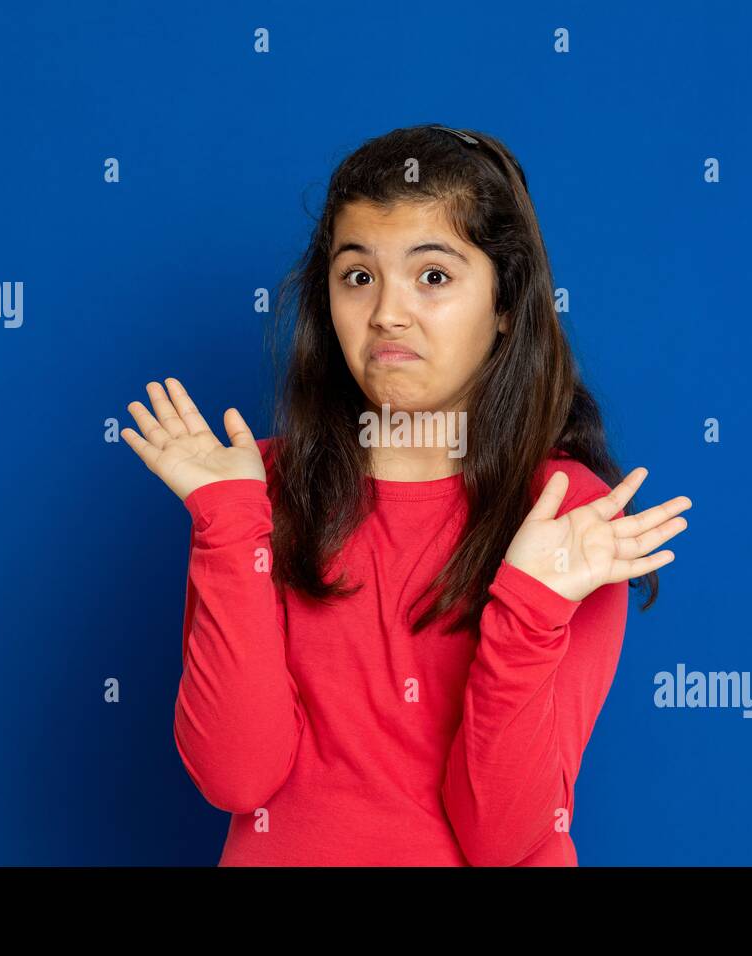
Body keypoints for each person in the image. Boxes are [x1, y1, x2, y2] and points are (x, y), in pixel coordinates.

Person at [122, 124, 692, 866]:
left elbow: (504, 838)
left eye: (433, 276)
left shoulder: (570, 519)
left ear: (506, 305)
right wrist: (228, 530)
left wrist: (530, 609)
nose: (388, 312)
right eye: (358, 276)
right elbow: (237, 776)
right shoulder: (248, 486)